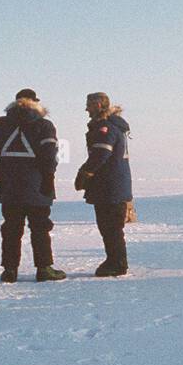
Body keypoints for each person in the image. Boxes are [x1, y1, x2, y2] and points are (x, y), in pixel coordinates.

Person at [0, 88, 65, 283]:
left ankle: (10, 270)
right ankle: (44, 268)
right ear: (36, 102)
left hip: (9, 186)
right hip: (37, 185)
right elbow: (49, 153)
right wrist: (49, 178)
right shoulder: (44, 125)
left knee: (11, 228)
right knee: (40, 227)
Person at [74, 92, 133, 277]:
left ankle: (117, 263)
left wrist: (85, 173)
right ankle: (114, 260)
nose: (86, 109)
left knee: (111, 227)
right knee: (109, 227)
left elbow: (101, 154)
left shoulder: (105, 128)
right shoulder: (114, 127)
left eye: (89, 105)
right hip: (113, 186)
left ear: (99, 105)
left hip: (109, 186)